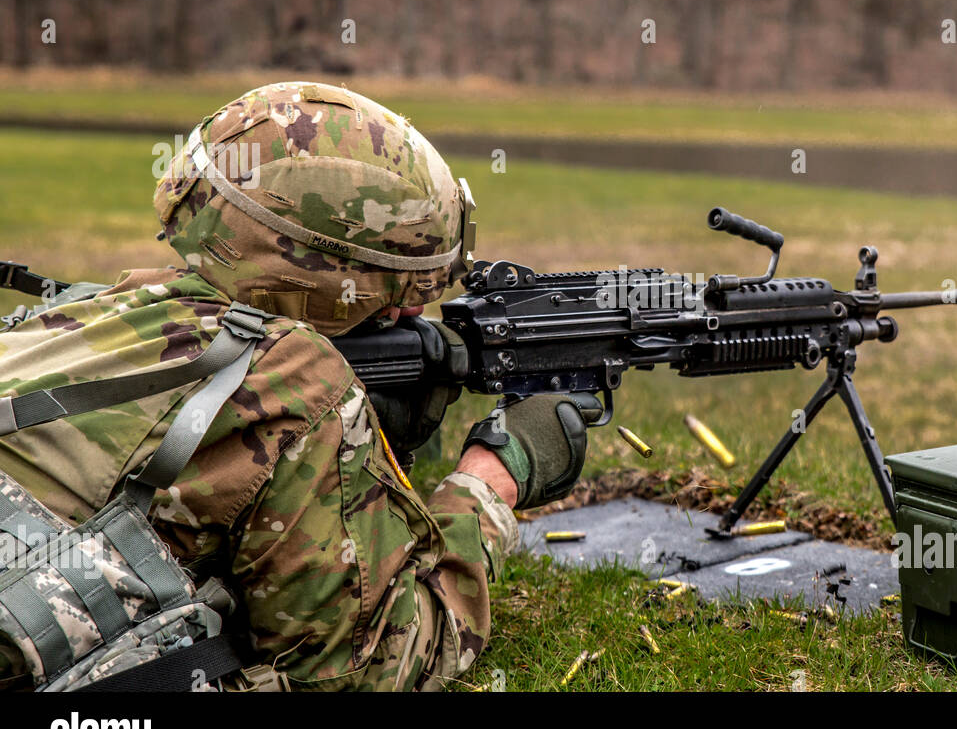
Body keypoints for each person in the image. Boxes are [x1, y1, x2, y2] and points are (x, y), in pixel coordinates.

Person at [0, 81, 589, 691]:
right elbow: (367, 673)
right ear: (335, 280)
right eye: (394, 296)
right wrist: (490, 482)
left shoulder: (68, 318)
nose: (408, 316)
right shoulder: (292, 384)